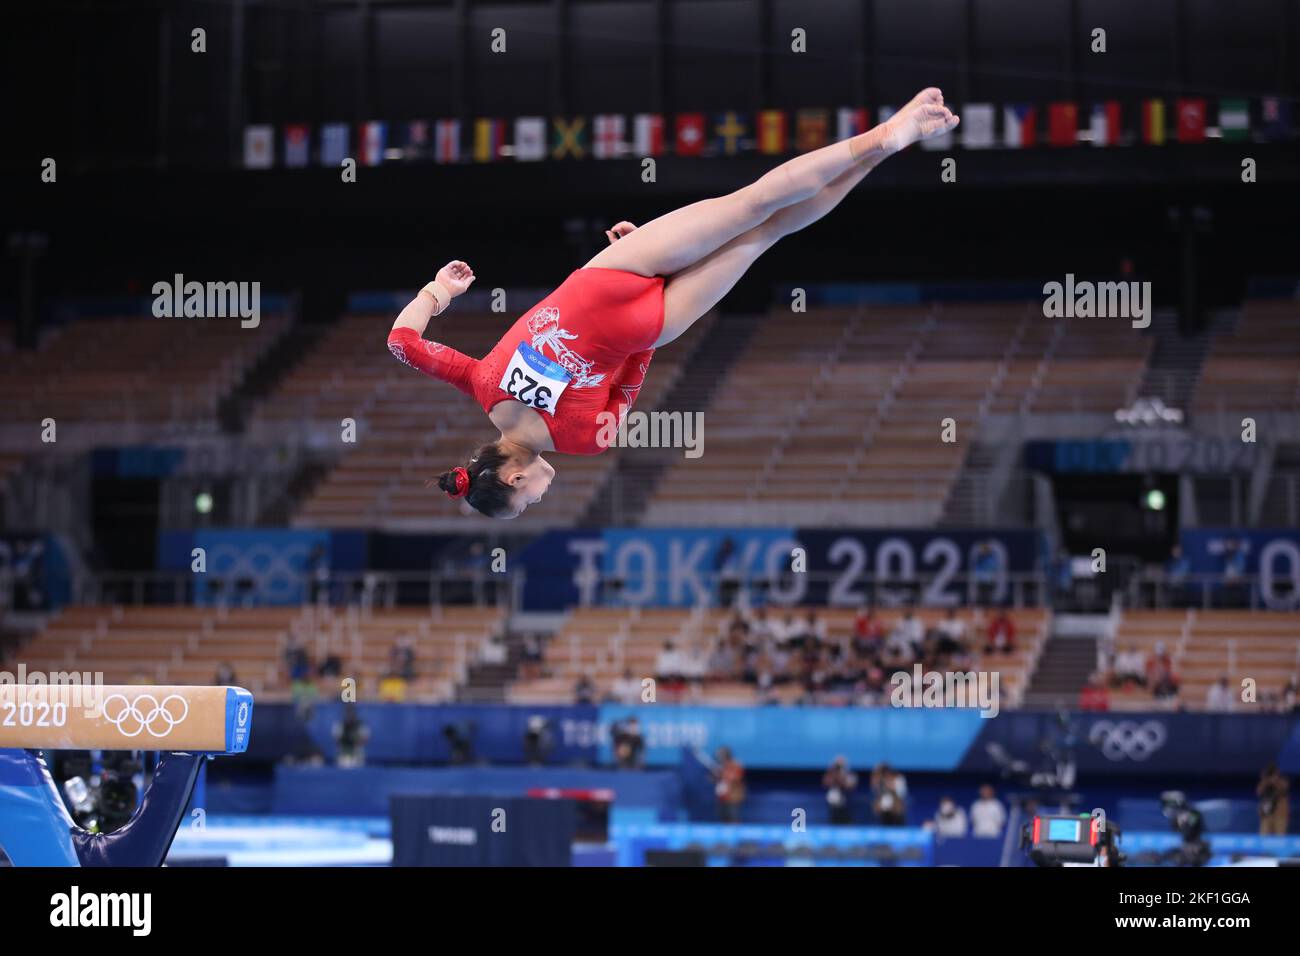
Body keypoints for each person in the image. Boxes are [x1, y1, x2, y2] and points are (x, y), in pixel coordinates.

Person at [387, 90, 960, 517]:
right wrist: (439, 290)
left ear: (513, 478)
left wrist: (654, 315)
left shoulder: (585, 440)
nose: (538, 498)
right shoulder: (482, 382)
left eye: (527, 503)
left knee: (766, 234)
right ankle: (884, 137)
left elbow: (630, 380)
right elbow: (403, 343)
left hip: (645, 323)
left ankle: (889, 147)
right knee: (752, 204)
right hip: (605, 276)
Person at [713, 746, 747, 823]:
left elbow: (735, 778)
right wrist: (716, 775)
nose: (719, 757)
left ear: (726, 755)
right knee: (723, 819)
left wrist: (722, 773)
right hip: (722, 798)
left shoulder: (735, 765)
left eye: (720, 755)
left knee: (733, 819)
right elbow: (714, 780)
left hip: (732, 798)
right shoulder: (720, 766)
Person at [822, 756, 858, 825]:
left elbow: (850, 786)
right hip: (833, 805)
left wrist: (841, 778)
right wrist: (833, 774)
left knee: (847, 824)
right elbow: (825, 783)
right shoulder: (831, 774)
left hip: (847, 805)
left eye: (841, 766)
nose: (839, 768)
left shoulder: (849, 775)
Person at [1257, 763, 1290, 835]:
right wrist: (1265, 780)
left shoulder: (1283, 781)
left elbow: (1284, 788)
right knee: (1264, 836)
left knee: (1279, 837)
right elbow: (1258, 791)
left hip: (1280, 815)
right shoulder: (1265, 782)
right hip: (1266, 814)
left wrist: (1275, 781)